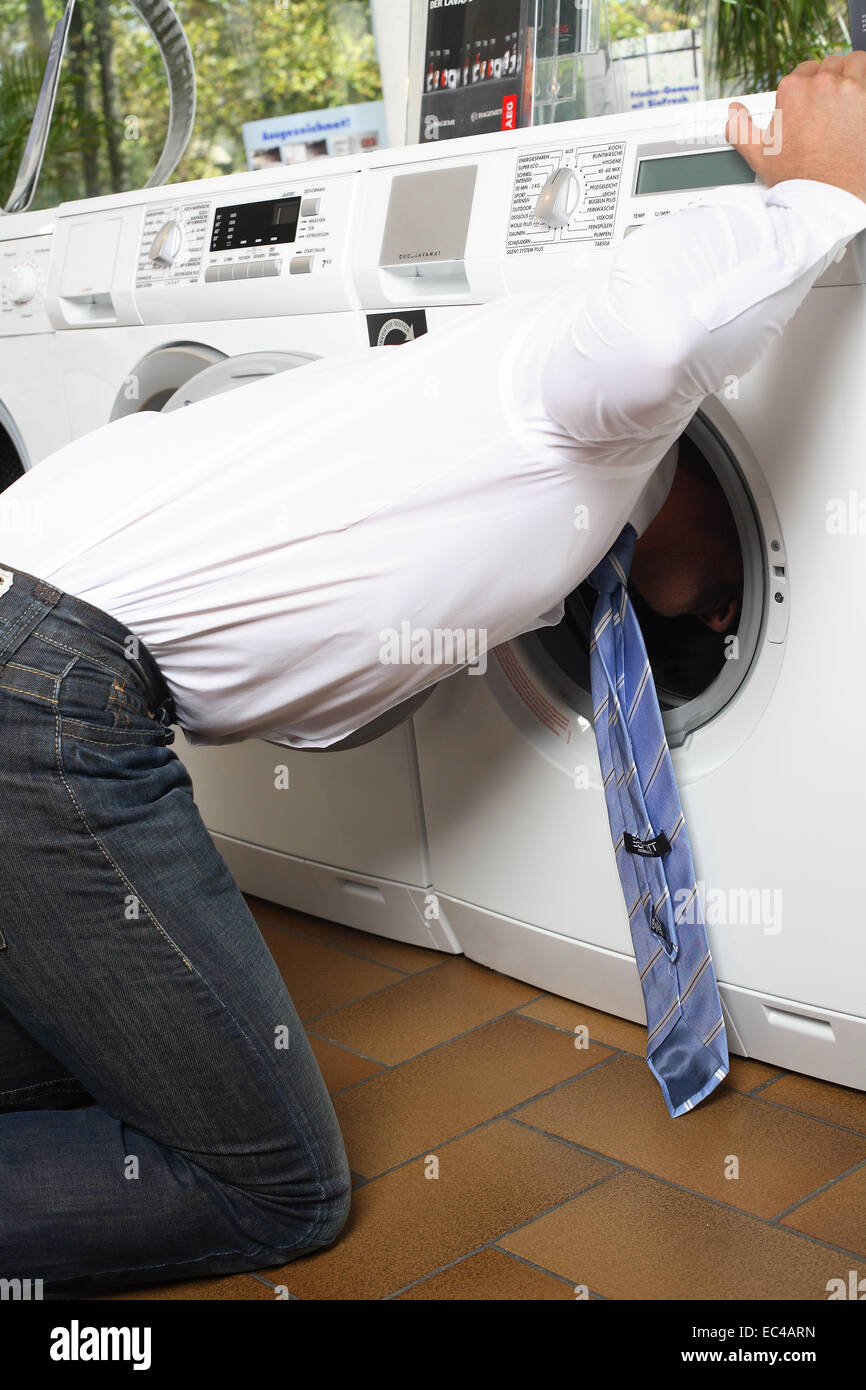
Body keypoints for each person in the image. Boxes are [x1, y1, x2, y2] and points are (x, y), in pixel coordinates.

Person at [1, 55, 866, 1298]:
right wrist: (828, 194)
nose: (724, 610)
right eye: (729, 590)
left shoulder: (491, 471)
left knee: (87, 1060)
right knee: (272, 1185)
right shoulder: (599, 405)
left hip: (35, 643)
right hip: (50, 691)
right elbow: (650, 332)